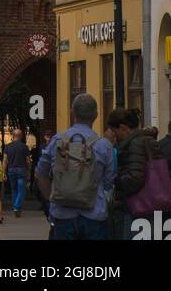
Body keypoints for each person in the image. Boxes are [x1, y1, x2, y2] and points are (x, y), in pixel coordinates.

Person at [35, 93, 115, 241]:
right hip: (94, 214)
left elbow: (40, 173)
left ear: (72, 113)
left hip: (62, 213)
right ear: (96, 115)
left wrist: (50, 198)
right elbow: (109, 181)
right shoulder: (104, 146)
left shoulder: (57, 141)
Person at [107, 106, 170, 239]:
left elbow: (135, 178)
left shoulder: (135, 144)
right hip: (155, 204)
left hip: (139, 207)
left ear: (123, 128)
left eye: (114, 131)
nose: (113, 135)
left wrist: (116, 180)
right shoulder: (148, 140)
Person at [4, 127, 28, 218]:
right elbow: (28, 160)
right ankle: (17, 207)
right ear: (21, 136)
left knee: (14, 190)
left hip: (11, 169)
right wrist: (29, 169)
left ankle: (15, 207)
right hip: (21, 169)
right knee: (21, 190)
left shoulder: (7, 146)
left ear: (12, 136)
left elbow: (5, 160)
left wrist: (3, 172)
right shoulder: (24, 146)